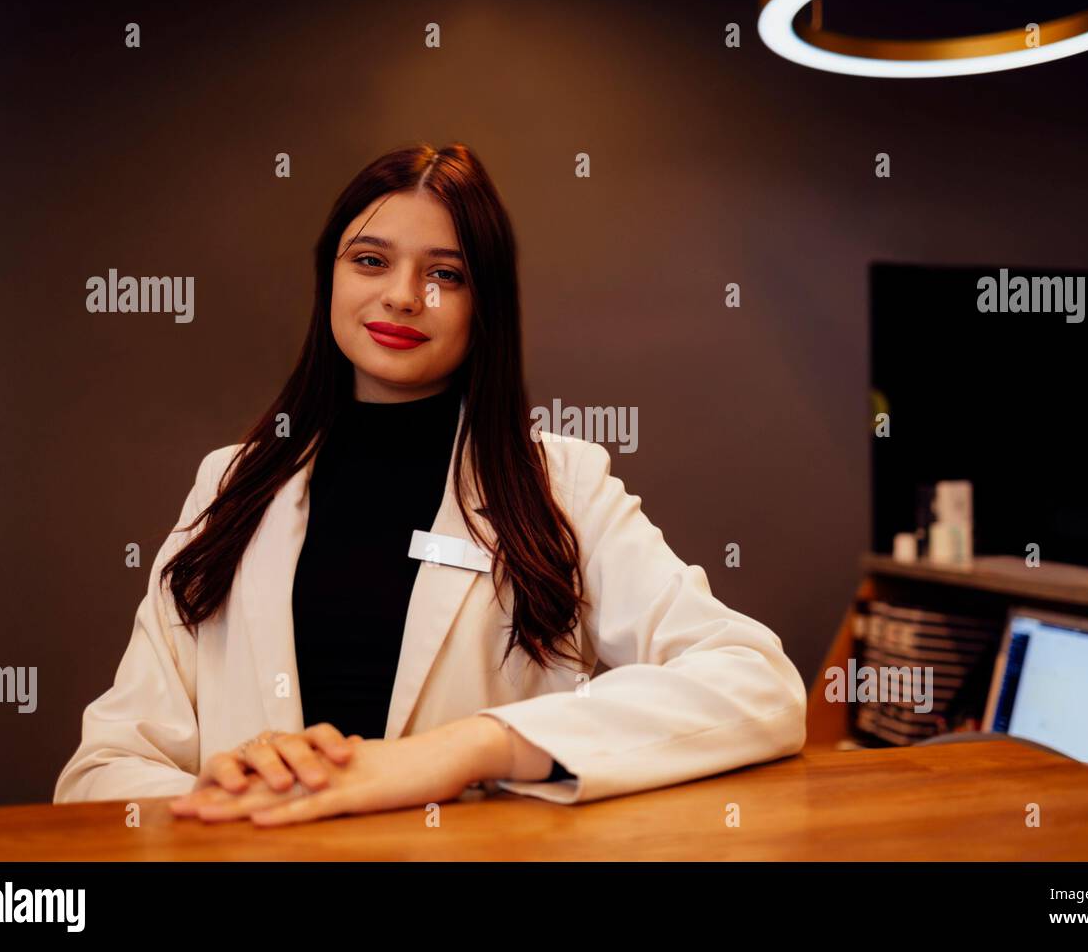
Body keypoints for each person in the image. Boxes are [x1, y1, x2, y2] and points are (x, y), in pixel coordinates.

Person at [54, 142, 807, 826]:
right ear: (329, 277)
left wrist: (475, 747)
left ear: (487, 307)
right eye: (371, 260)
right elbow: (101, 768)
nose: (405, 296)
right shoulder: (230, 481)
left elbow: (758, 685)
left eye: (446, 274)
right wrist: (215, 788)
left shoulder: (561, 483)